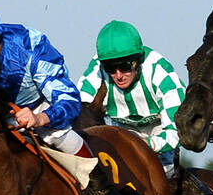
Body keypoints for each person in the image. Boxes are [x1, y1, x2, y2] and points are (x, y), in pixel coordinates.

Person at [0, 0, 139, 195]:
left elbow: (69, 101)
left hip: (38, 107)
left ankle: (102, 193)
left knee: (59, 135)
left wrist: (39, 118)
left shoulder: (29, 48)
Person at [76, 20, 184, 178]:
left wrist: (144, 144)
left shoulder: (160, 72)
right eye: (111, 68)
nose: (118, 76)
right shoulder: (97, 71)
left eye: (125, 66)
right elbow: (78, 114)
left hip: (159, 130)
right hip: (121, 130)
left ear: (138, 60)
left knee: (160, 176)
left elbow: (177, 132)